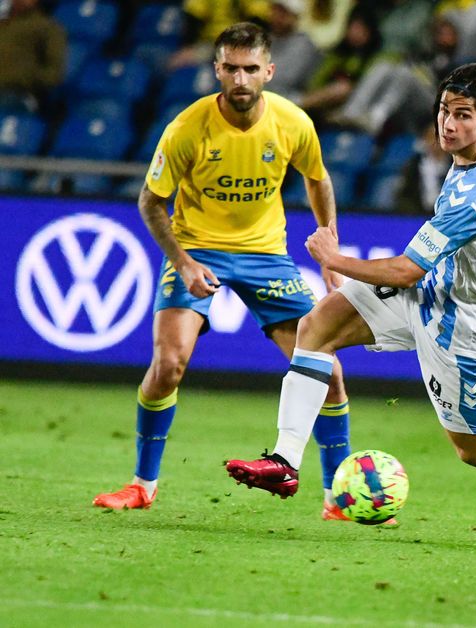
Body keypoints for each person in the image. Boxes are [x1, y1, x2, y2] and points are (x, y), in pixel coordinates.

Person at [224, 62, 476, 549]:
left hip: (465, 322)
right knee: (319, 325)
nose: (448, 125)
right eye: (444, 111)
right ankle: (285, 463)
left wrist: (334, 258)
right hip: (433, 289)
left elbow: (404, 269)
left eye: (463, 115)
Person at [93, 23, 358, 523]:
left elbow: (318, 180)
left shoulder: (293, 121)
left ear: (269, 71)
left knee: (329, 374)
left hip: (266, 255)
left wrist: (330, 250)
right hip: (197, 247)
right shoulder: (187, 128)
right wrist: (184, 261)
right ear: (217, 69)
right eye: (231, 68)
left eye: (251, 69)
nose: (241, 79)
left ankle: (338, 500)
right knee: (169, 364)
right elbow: (151, 202)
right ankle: (142, 485)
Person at [0, 0, 66, 113]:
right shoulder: (3, 24)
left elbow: (54, 73)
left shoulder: (47, 27)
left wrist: (23, 76)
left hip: (16, 93)